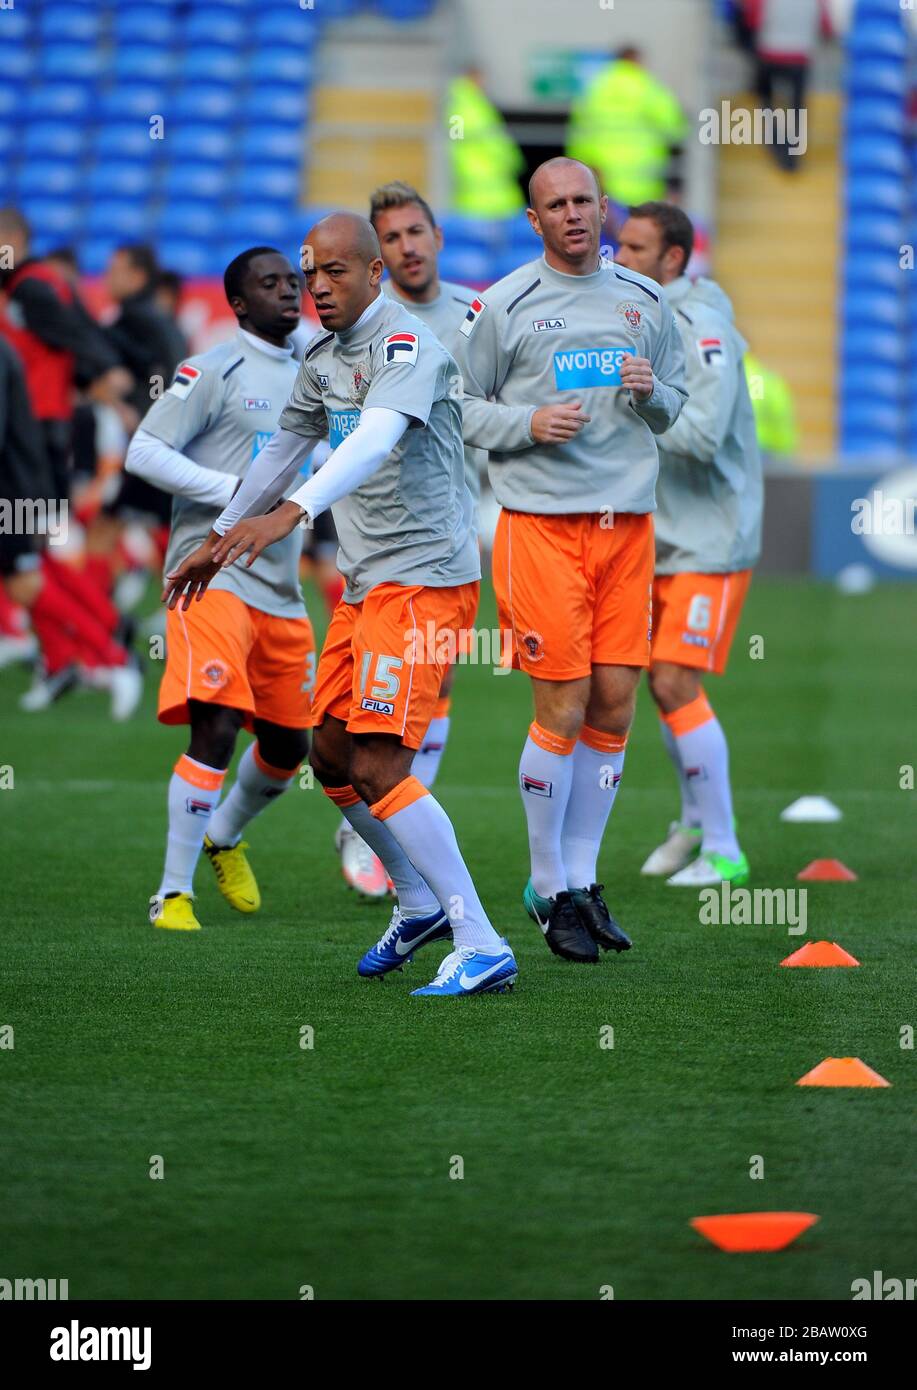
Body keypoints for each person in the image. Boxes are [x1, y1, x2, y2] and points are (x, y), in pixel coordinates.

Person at [164, 213, 517, 998]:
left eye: (333, 273)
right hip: (367, 585)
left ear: (373, 275)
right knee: (328, 753)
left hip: (424, 581)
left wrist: (289, 514)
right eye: (309, 272)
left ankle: (480, 937)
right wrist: (219, 538)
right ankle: (417, 900)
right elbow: (282, 451)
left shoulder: (406, 346)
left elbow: (373, 440)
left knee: (383, 760)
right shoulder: (320, 357)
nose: (317, 288)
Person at [454, 156, 687, 964]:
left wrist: (651, 391)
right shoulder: (503, 304)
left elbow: (673, 406)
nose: (572, 214)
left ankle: (584, 883)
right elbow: (460, 407)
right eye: (554, 205)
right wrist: (526, 424)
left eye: (583, 200)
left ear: (603, 207)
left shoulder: (645, 299)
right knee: (563, 701)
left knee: (616, 702)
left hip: (627, 528)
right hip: (541, 528)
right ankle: (547, 886)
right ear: (534, 220)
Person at [303, 178, 486, 901]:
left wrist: (531, 429)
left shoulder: (470, 319)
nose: (406, 246)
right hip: (362, 558)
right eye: (391, 236)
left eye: (415, 231)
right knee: (334, 750)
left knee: (406, 720)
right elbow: (314, 436)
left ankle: (452, 912)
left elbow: (489, 409)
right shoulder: (332, 342)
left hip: (429, 557)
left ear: (434, 238)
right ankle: (405, 868)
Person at [124, 247, 315, 932]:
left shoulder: (311, 375)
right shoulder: (211, 368)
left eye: (293, 282)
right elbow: (142, 451)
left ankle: (224, 834)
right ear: (237, 303)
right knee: (218, 723)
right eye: (269, 285)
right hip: (210, 573)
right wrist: (231, 492)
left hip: (279, 585)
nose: (288, 293)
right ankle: (172, 894)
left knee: (293, 747)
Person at [615, 202, 762, 886]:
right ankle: (696, 822)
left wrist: (639, 404)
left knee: (674, 680)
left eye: (635, 248)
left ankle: (725, 848)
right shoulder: (646, 319)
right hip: (663, 538)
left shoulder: (703, 330)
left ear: (672, 259)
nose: (618, 258)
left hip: (711, 540)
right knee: (659, 681)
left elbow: (700, 437)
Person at [567, 47, 688, 207]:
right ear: (637, 61)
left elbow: (577, 135)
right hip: (642, 181)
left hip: (601, 181)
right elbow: (676, 128)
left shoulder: (594, 88)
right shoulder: (647, 86)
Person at [447, 69, 525, 218]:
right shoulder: (469, 105)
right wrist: (512, 159)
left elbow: (456, 138)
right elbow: (493, 141)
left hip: (479, 189)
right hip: (486, 188)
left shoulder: (466, 104)